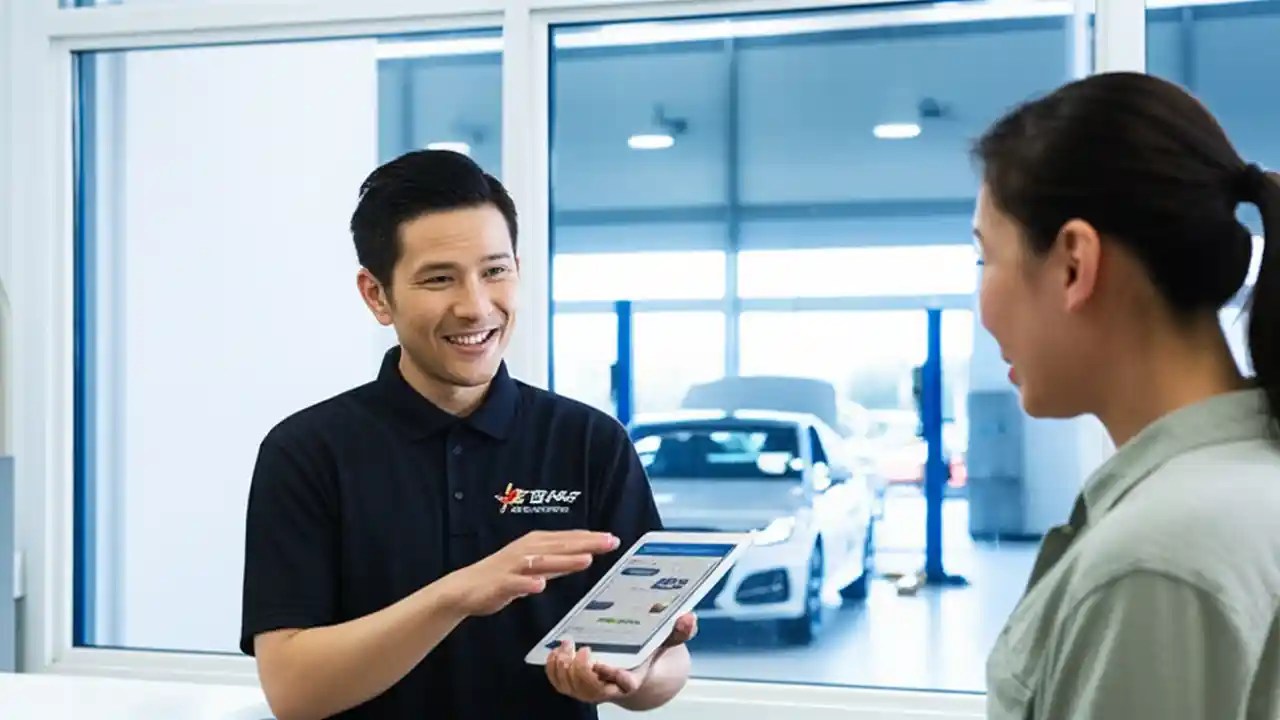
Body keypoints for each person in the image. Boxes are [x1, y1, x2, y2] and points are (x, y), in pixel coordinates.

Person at [239, 150, 693, 720]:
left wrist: (635, 674)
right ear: (376, 295)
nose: (476, 307)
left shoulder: (590, 441)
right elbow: (294, 691)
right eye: (439, 279)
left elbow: (667, 661)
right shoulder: (307, 452)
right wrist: (457, 594)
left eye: (495, 271)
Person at [972, 71, 1280, 720]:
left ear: (1074, 264)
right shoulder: (1249, 482)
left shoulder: (1155, 559)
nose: (983, 305)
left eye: (984, 259)